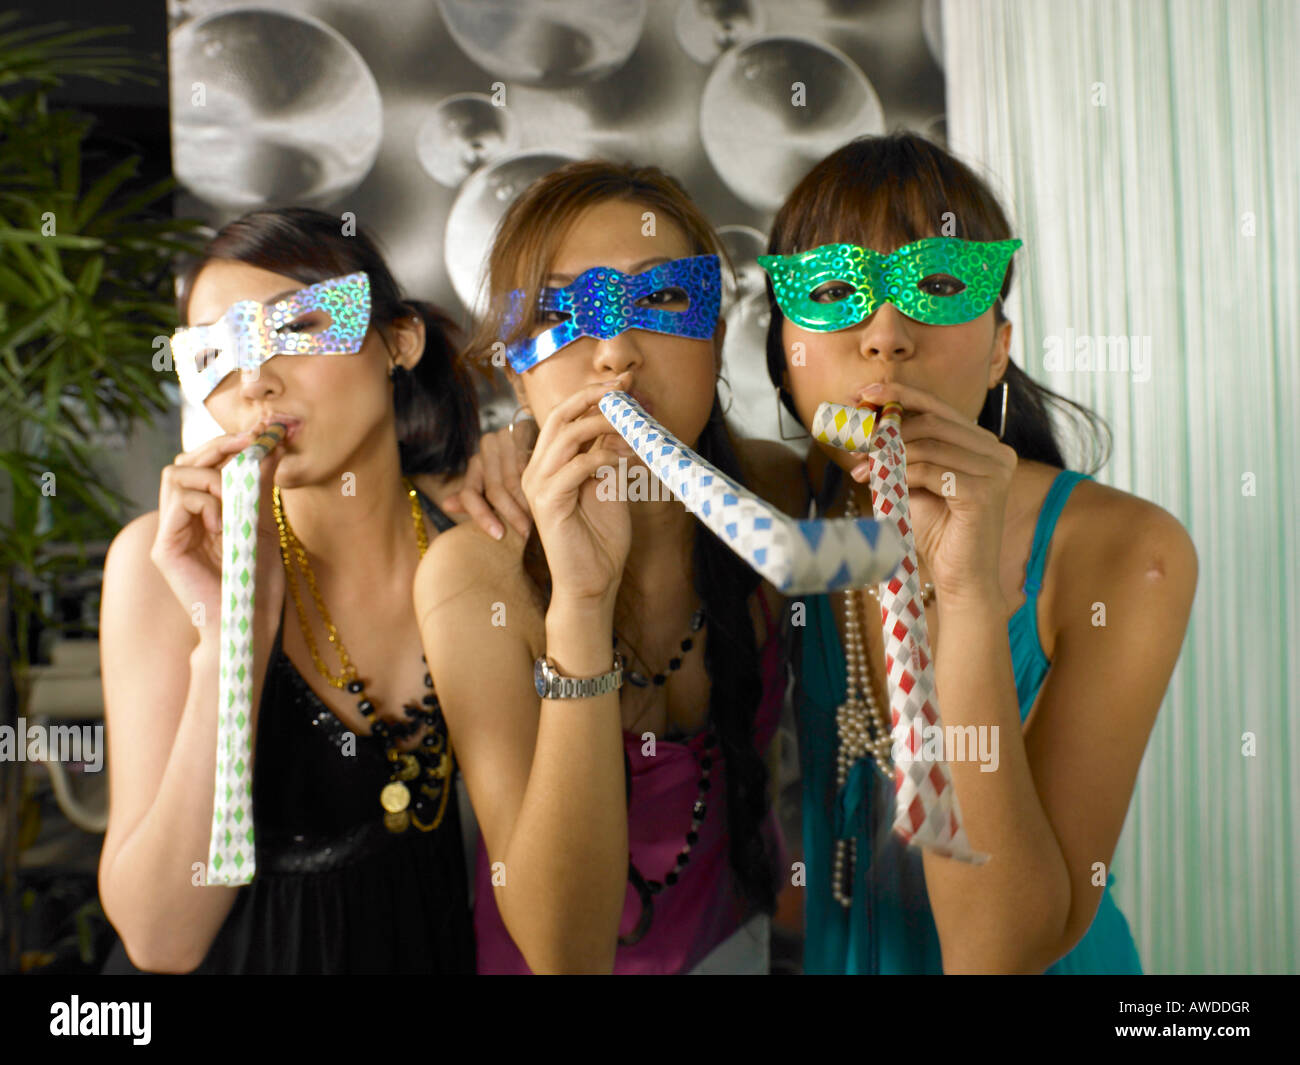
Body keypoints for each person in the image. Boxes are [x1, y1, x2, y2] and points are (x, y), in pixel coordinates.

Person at [759, 132, 1198, 973]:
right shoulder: (783, 505)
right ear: (785, 350)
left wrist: (963, 595)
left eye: (936, 286)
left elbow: (996, 951)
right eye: (833, 292)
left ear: (999, 347)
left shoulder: (1127, 552)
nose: (885, 336)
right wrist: (503, 454)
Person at [97, 207, 512, 974]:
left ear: (399, 341)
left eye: (298, 326)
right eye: (217, 352)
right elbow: (162, 939)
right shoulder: (160, 570)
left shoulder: (479, 548)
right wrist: (233, 634)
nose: (255, 378)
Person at [413, 161, 797, 974]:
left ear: (716, 337)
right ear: (516, 374)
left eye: (664, 297)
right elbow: (564, 950)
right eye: (562, 313)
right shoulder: (472, 577)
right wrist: (581, 607)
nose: (617, 355)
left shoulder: (779, 496)